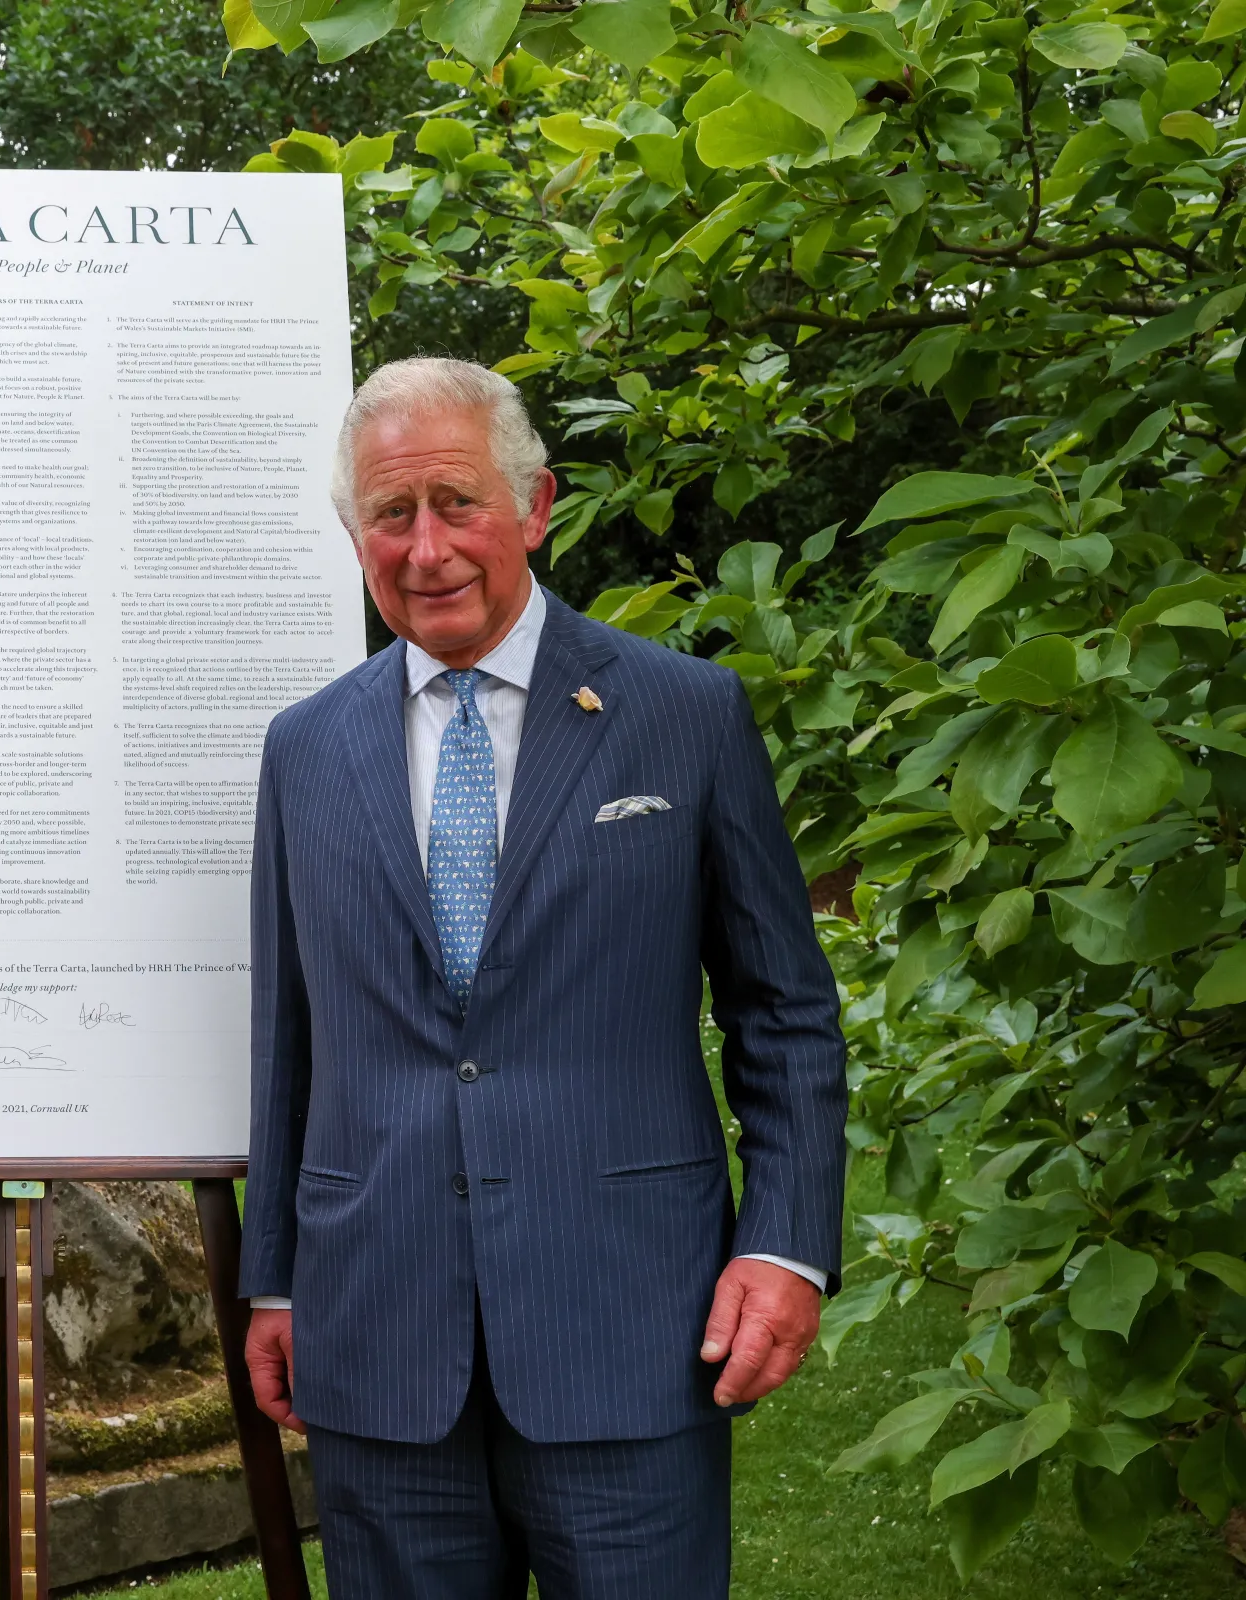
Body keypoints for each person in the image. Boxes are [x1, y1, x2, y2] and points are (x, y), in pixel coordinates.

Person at [239, 358, 846, 1596]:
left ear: (536, 506)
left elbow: (785, 1011)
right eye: (389, 517)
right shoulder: (305, 748)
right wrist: (279, 1277)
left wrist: (787, 1244)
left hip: (627, 1321)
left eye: (455, 502)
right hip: (376, 1338)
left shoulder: (684, 716)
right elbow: (286, 1038)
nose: (425, 548)